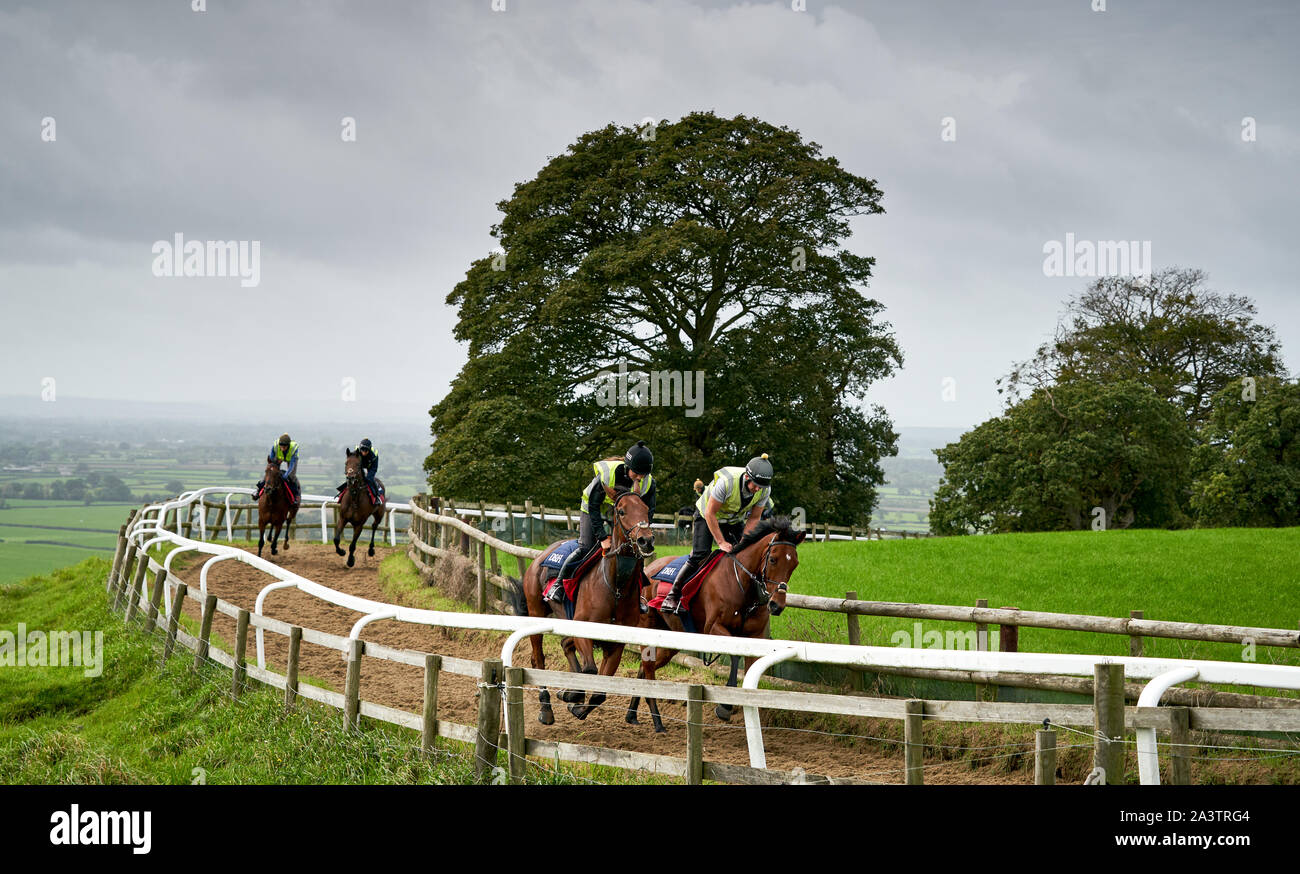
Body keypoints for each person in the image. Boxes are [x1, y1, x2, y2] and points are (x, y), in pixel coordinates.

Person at [661, 453, 773, 614]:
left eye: (760, 487)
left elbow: (754, 518)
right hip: (707, 515)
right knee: (701, 554)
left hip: (733, 520)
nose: (757, 489)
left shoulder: (764, 490)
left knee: (745, 555)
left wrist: (744, 541)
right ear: (747, 477)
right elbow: (710, 513)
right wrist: (721, 542)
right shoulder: (727, 483)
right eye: (754, 485)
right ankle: (673, 595)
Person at [547, 440, 656, 601]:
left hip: (623, 514)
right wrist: (602, 537)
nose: (640, 478)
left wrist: (640, 532)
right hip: (592, 509)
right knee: (586, 546)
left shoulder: (648, 483)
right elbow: (593, 506)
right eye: (636, 473)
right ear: (627, 467)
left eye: (643, 474)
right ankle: (558, 584)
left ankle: (638, 596)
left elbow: (649, 511)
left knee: (634, 552)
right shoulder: (607, 475)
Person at [257, 433, 300, 504]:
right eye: (281, 446)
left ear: (288, 446)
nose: (282, 449)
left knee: (291, 476)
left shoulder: (293, 449)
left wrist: (285, 475)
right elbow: (271, 459)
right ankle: (259, 490)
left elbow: (291, 466)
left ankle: (295, 495)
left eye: (284, 447)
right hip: (279, 457)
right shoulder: (275, 446)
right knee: (270, 472)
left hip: (291, 459)